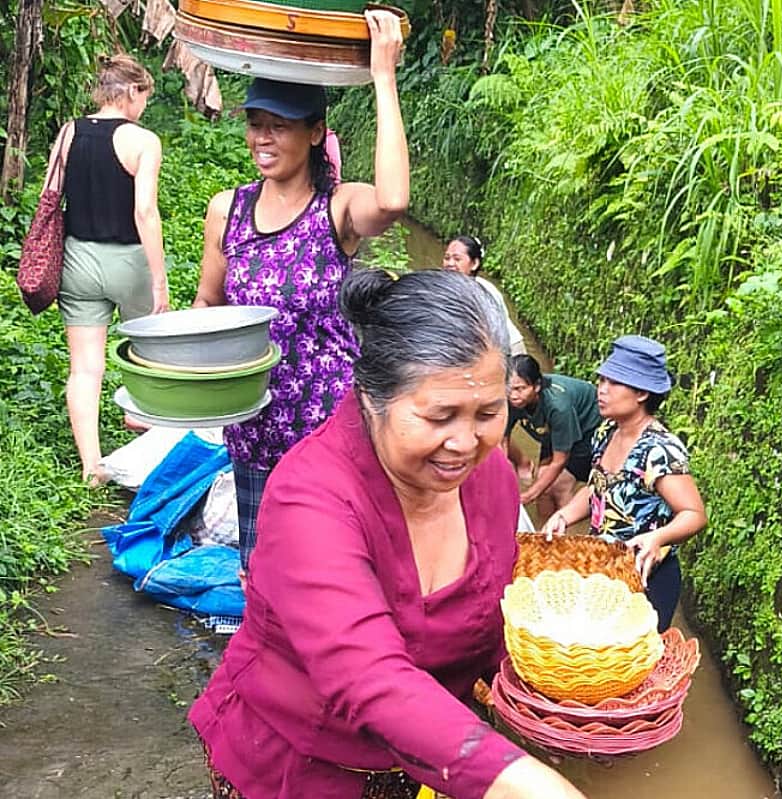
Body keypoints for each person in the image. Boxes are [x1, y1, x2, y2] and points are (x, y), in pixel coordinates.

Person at [189, 268, 588, 799]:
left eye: (489, 413)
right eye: (440, 416)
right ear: (372, 397)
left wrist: (565, 696)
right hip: (302, 767)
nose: (465, 442)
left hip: (432, 761)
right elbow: (368, 677)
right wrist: (530, 784)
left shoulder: (490, 478)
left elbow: (498, 624)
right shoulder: (309, 501)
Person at [192, 10, 410, 573]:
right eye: (255, 122)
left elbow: (393, 200)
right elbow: (209, 306)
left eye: (279, 124)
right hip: (253, 427)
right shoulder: (228, 210)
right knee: (260, 575)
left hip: (328, 434)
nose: (262, 138)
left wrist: (383, 77)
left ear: (315, 133)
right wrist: (175, 386)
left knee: (330, 573)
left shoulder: (336, 210)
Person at [53, 54, 169, 485]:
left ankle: (91, 467)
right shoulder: (142, 141)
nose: (144, 109)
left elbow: (51, 198)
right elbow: (145, 212)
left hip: (77, 259)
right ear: (131, 92)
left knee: (84, 368)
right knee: (147, 358)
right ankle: (141, 431)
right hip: (129, 262)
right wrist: (159, 280)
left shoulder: (69, 133)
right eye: (144, 98)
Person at [543, 336, 707, 633]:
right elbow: (597, 488)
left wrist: (658, 538)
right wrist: (565, 514)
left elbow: (694, 514)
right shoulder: (606, 433)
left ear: (642, 393)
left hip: (645, 580)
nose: (601, 390)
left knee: (632, 668)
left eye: (613, 383)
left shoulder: (659, 451)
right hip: (603, 570)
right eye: (601, 380)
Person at [505, 354, 601, 518]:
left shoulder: (558, 406)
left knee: (559, 485)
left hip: (586, 429)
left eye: (520, 389)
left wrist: (528, 495)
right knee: (542, 482)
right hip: (552, 429)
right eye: (509, 389)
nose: (513, 395)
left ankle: (566, 537)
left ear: (536, 387)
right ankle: (541, 535)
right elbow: (502, 442)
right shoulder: (512, 401)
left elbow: (559, 461)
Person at [442, 234, 526, 355]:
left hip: (509, 351)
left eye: (457, 259)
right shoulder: (445, 289)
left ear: (474, 264)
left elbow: (494, 335)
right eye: (447, 258)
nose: (450, 263)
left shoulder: (484, 292)